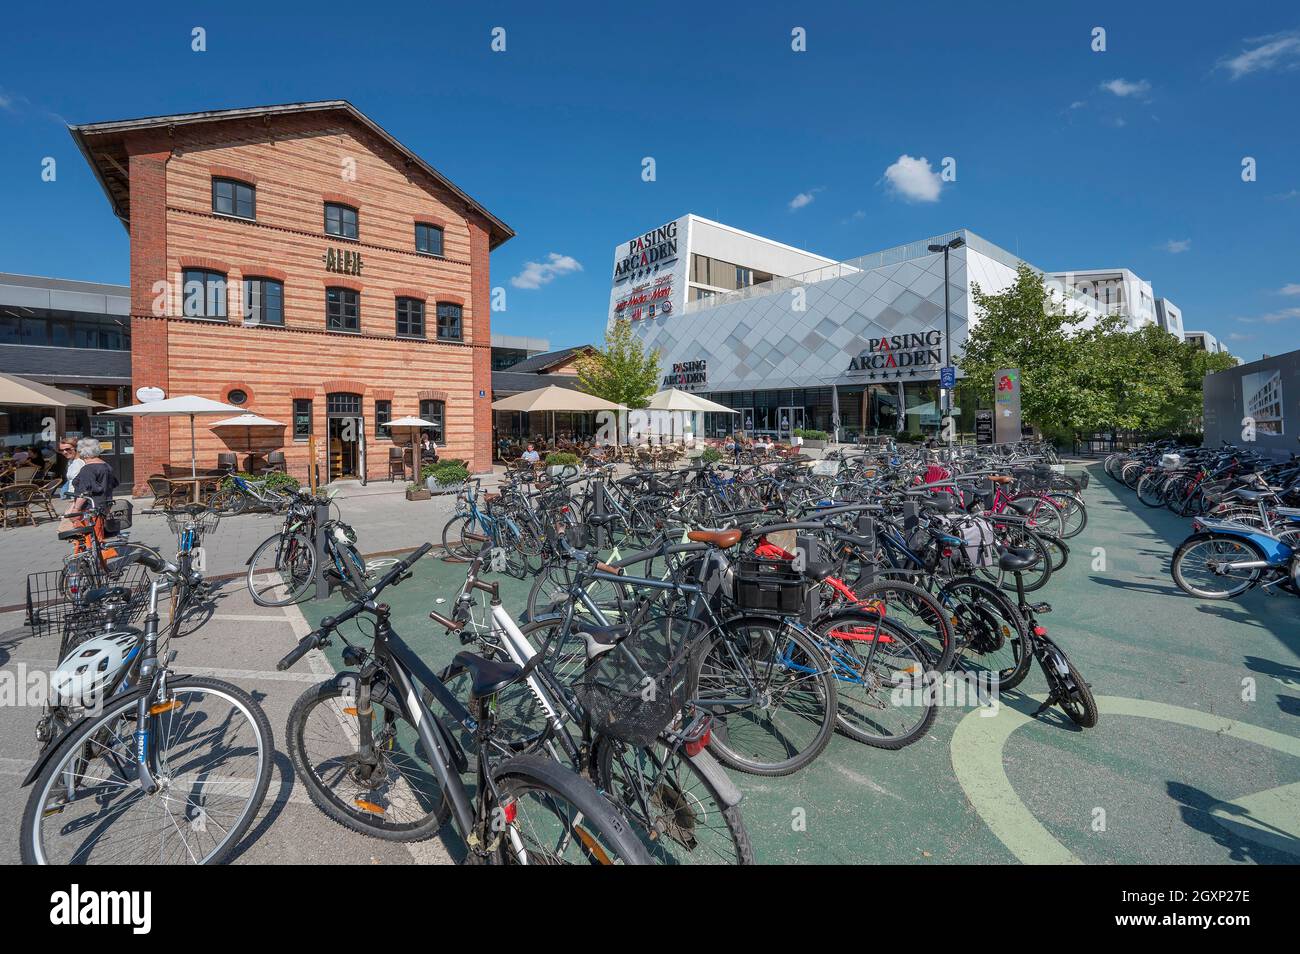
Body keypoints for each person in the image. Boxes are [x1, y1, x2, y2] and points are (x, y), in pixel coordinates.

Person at [66, 437, 119, 517]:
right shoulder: (106, 466)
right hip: (105, 508)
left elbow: (84, 492)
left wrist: (76, 509)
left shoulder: (88, 469)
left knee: (66, 524)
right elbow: (113, 484)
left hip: (90, 510)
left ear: (83, 452)